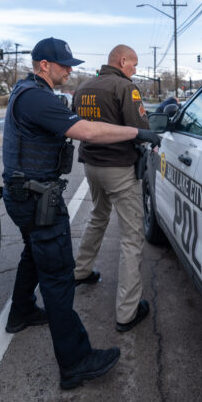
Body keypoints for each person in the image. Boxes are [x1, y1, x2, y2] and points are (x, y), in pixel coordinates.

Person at [1, 37, 161, 390]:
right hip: (41, 195)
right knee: (58, 277)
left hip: (36, 190)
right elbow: (86, 130)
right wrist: (140, 131)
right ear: (44, 65)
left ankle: (22, 311)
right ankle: (78, 359)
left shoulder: (28, 91)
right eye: (63, 65)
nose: (70, 70)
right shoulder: (38, 97)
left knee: (35, 250)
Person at [71, 45, 151, 332]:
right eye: (134, 64)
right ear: (122, 60)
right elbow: (140, 127)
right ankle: (127, 312)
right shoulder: (125, 87)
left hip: (91, 167)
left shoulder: (83, 87)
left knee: (98, 215)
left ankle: (80, 271)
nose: (135, 70)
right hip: (118, 168)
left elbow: (76, 123)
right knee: (132, 236)